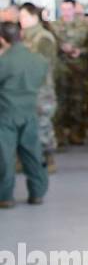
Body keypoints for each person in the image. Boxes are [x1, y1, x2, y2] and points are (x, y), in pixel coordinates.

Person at [0, 21, 50, 208]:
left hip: (5, 114)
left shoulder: (4, 62)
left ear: (2, 40)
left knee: (5, 156)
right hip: (29, 112)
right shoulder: (39, 60)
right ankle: (37, 193)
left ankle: (5, 197)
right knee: (32, 154)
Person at [19, 3, 59, 171]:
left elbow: (44, 65)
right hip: (26, 88)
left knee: (43, 125)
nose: (20, 20)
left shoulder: (43, 38)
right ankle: (27, 160)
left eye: (23, 17)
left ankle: (48, 160)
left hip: (41, 90)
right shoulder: (24, 37)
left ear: (33, 17)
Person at [52, 0, 88, 146]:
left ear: (75, 9)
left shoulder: (85, 26)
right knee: (60, 102)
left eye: (69, 9)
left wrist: (79, 51)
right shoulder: (53, 26)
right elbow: (49, 46)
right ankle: (59, 133)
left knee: (78, 102)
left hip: (79, 70)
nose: (66, 12)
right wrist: (61, 48)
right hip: (60, 69)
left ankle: (75, 132)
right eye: (63, 9)